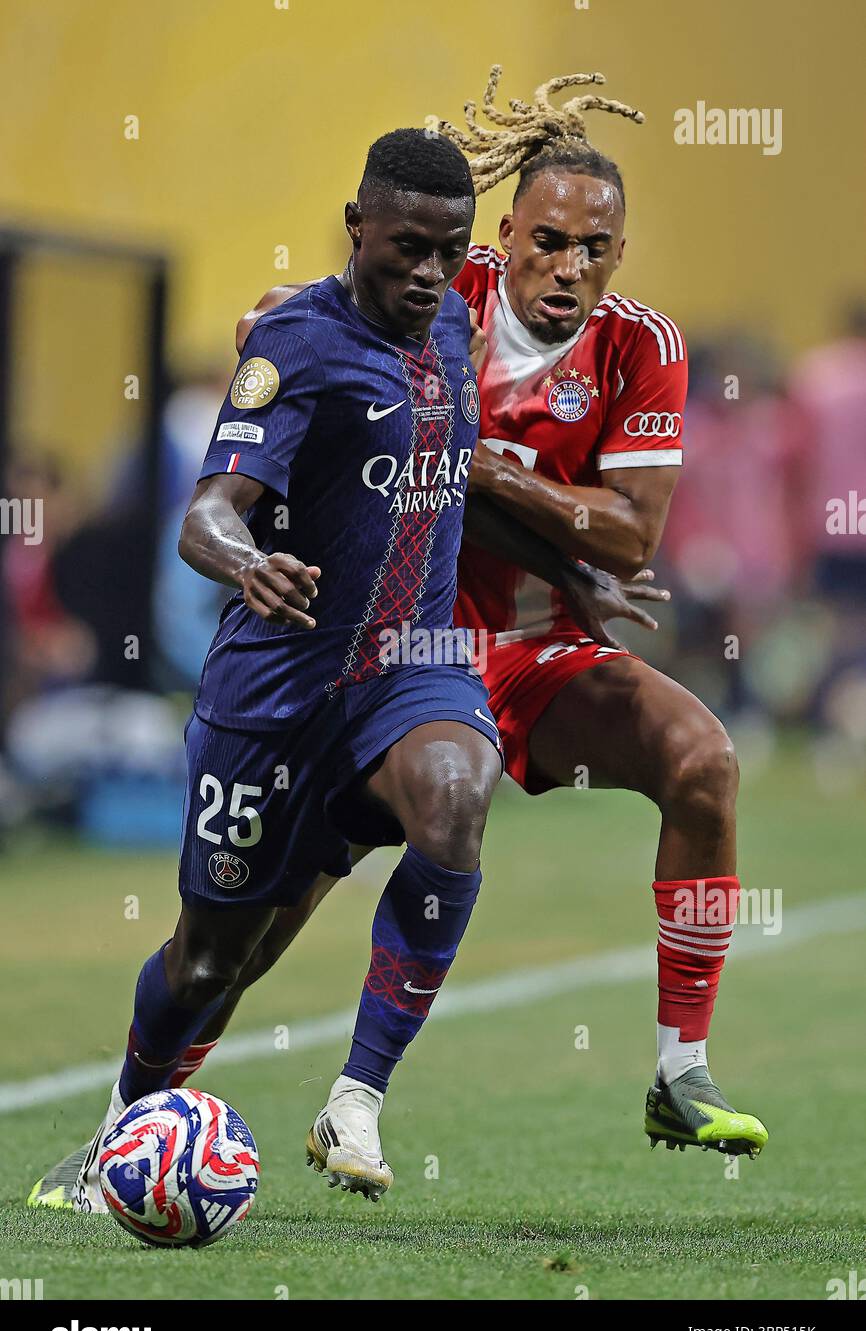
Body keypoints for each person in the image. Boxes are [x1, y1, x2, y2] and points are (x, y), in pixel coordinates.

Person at [176, 69, 769, 1166]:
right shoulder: (440, 287)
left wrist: (478, 469)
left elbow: (627, 536)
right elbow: (310, 337)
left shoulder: (642, 347)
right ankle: (141, 1110)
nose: (568, 268)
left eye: (594, 250)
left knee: (702, 760)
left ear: (620, 257)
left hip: (538, 654)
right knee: (246, 934)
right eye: (547, 241)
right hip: (395, 652)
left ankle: (676, 1072)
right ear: (508, 233)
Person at [31, 128, 509, 1215]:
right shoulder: (293, 343)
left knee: (455, 795)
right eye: (404, 248)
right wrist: (251, 563)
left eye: (448, 249)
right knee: (217, 965)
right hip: (275, 697)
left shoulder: (456, 326)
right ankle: (120, 1127)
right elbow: (205, 513)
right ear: (356, 228)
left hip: (406, 674)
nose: (427, 273)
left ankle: (356, 1096)